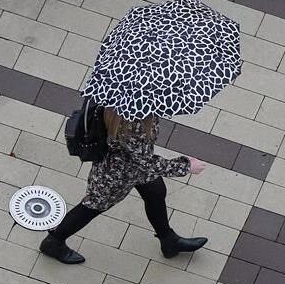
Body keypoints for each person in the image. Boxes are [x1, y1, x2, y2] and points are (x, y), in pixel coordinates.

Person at [40, 108, 208, 264]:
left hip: (129, 164)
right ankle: (54, 242)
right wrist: (186, 166)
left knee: (155, 191)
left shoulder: (124, 104)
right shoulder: (134, 123)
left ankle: (168, 240)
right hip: (116, 174)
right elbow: (146, 162)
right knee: (92, 206)